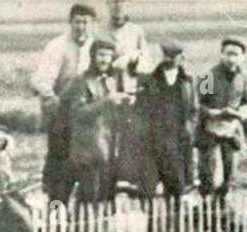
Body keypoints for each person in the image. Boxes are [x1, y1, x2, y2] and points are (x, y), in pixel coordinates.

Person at [30, 3, 98, 203]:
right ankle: (57, 211)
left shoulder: (97, 46)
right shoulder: (57, 46)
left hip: (89, 117)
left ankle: (85, 216)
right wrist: (51, 97)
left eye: (85, 22)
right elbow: (41, 78)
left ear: (92, 24)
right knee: (60, 171)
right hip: (63, 114)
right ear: (70, 22)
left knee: (89, 170)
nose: (81, 27)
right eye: (77, 22)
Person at [62, 39, 128, 203]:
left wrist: (127, 103)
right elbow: (79, 113)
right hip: (88, 150)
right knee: (89, 196)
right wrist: (107, 101)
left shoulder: (113, 80)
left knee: (108, 196)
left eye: (108, 56)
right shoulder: (81, 81)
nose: (105, 60)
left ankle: (105, 220)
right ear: (93, 56)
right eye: (101, 55)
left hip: (111, 148)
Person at [197, 38, 247, 203]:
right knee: (208, 171)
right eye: (228, 54)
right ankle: (206, 205)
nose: (232, 59)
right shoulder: (209, 76)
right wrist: (213, 113)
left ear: (242, 57)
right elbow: (197, 104)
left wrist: (240, 113)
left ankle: (223, 203)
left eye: (236, 55)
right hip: (210, 131)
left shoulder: (243, 78)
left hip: (231, 131)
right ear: (221, 55)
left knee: (229, 171)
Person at [140, 40, 198, 199]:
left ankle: (175, 212)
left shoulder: (188, 80)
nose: (170, 59)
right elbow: (142, 109)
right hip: (155, 138)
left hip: (179, 138)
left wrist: (189, 128)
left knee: (178, 184)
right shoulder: (150, 79)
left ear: (181, 58)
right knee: (150, 186)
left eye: (174, 56)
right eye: (167, 55)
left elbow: (194, 109)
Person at [107, 0, 151, 89]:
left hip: (130, 84)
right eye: (115, 1)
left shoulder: (136, 31)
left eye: (122, 1)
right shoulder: (99, 31)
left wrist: (132, 57)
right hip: (107, 85)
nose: (118, 5)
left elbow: (147, 62)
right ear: (107, 3)